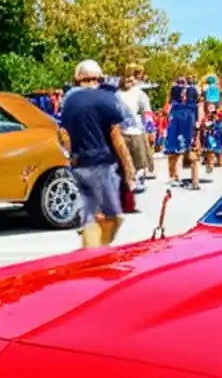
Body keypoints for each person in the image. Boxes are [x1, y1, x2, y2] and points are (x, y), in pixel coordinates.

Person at [59, 59, 135, 248]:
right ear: (99, 78)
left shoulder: (68, 102)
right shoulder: (107, 99)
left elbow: (63, 134)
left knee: (91, 212)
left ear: (78, 79)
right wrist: (129, 166)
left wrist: (70, 156)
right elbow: (116, 136)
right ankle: (93, 254)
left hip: (79, 164)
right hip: (102, 164)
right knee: (113, 216)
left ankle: (91, 247)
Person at [117, 63, 154, 182]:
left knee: (139, 159)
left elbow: (147, 111)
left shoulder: (139, 93)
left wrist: (150, 128)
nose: (129, 80)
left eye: (132, 78)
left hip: (136, 131)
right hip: (120, 131)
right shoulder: (117, 94)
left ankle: (139, 176)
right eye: (127, 78)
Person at [163, 75, 200, 187]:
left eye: (185, 92)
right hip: (179, 131)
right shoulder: (176, 106)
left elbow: (196, 121)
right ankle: (175, 176)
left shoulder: (189, 106)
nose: (184, 94)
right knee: (176, 154)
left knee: (190, 154)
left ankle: (194, 181)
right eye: (182, 92)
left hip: (187, 131)